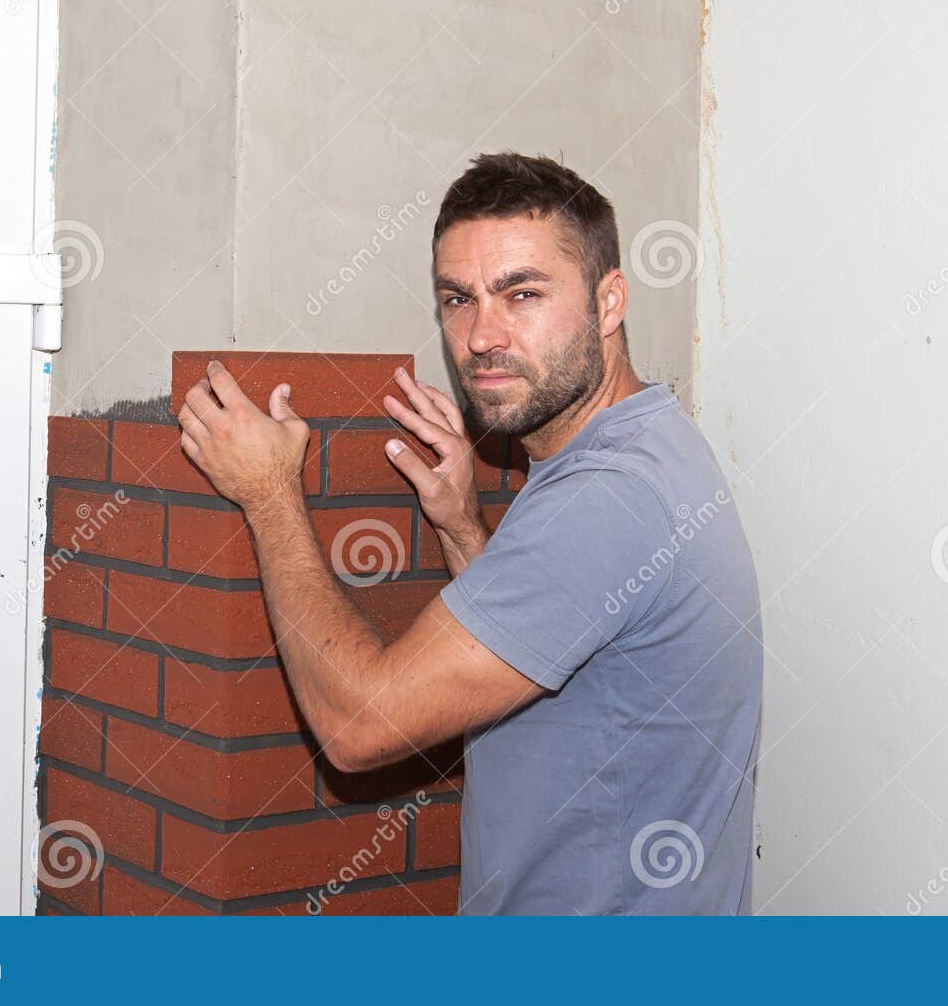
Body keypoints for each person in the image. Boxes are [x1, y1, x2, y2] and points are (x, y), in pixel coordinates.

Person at [178, 152, 762, 914]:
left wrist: (268, 495)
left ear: (609, 301)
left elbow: (358, 728)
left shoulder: (606, 500)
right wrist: (461, 526)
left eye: (522, 294)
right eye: (458, 299)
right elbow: (562, 654)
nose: (483, 334)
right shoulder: (644, 443)